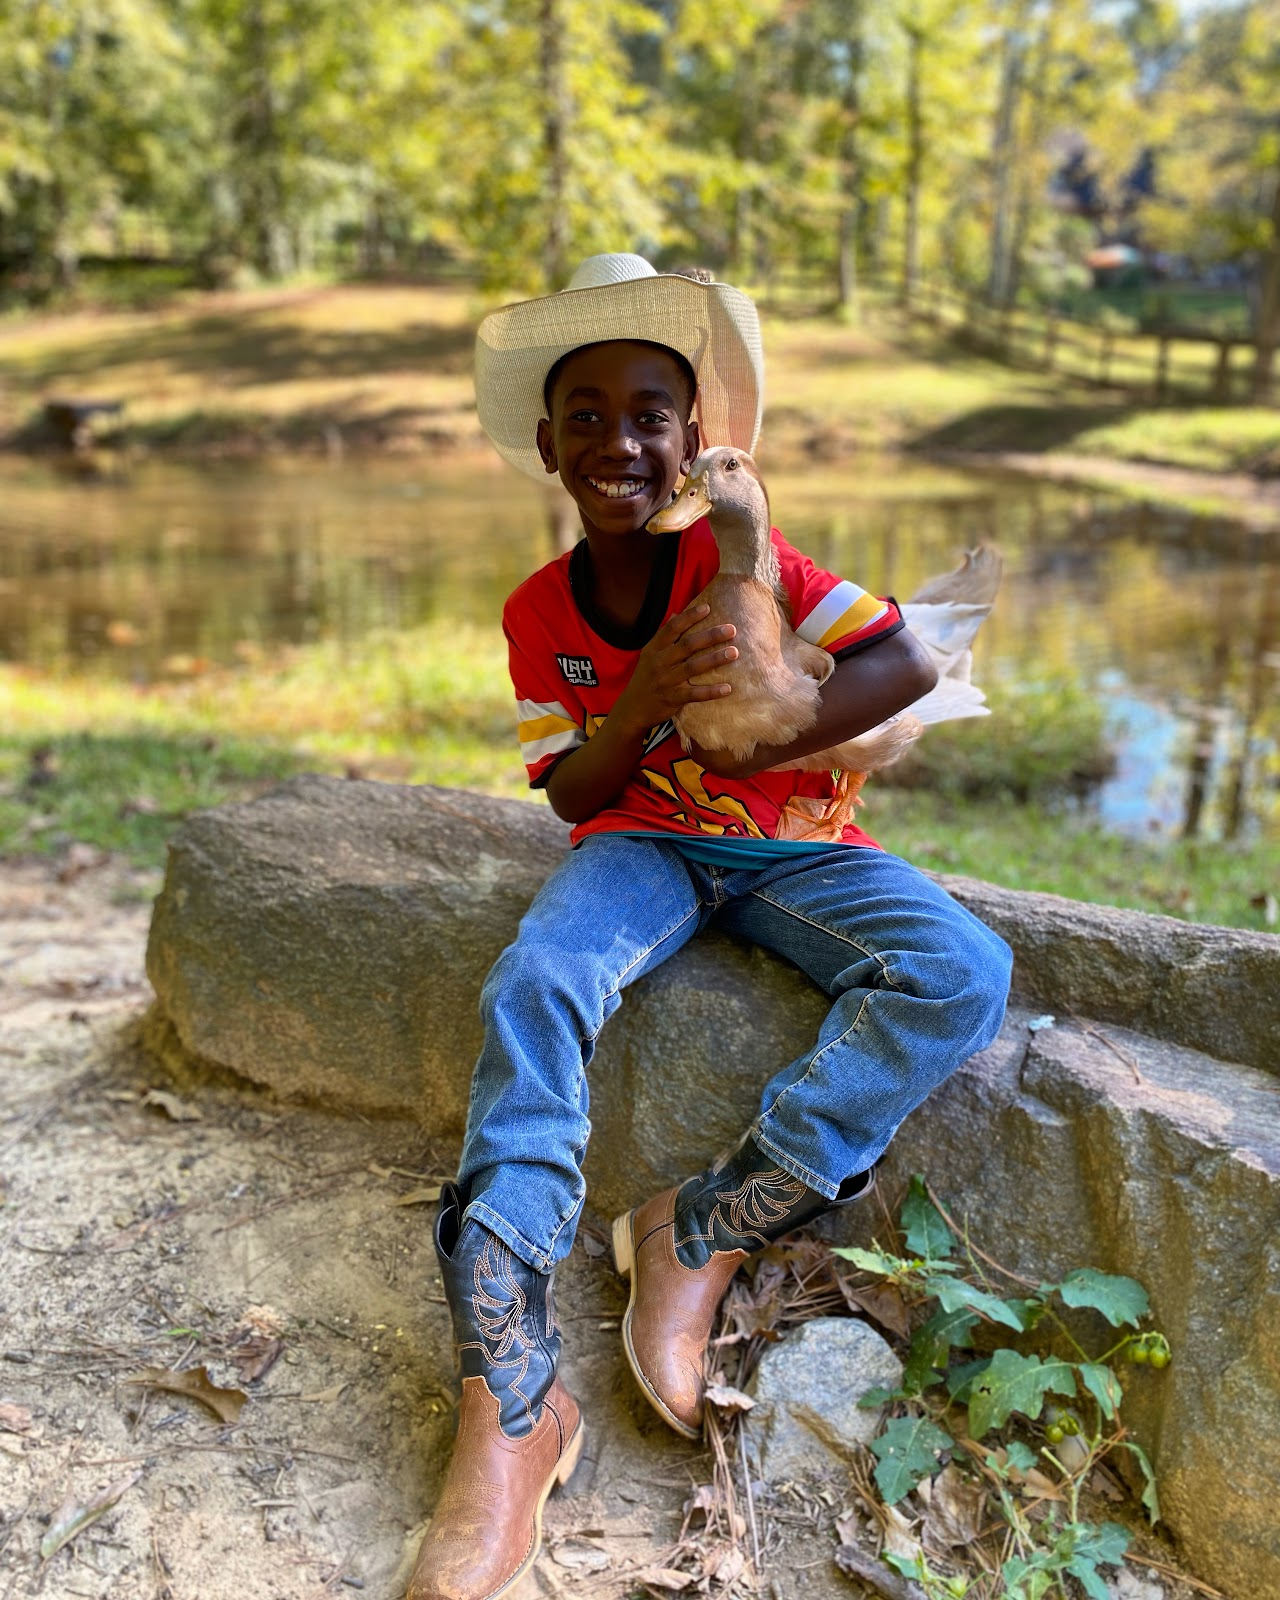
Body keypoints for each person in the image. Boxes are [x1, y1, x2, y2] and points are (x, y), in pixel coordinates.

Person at [407, 254, 1012, 1600]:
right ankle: (509, 1392)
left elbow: (912, 656)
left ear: (693, 445)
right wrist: (641, 712)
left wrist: (789, 723)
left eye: (649, 413)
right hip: (643, 847)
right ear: (551, 445)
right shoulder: (537, 612)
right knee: (538, 978)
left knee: (963, 968)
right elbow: (568, 786)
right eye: (587, 413)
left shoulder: (754, 562)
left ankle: (705, 1223)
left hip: (796, 849)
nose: (618, 437)